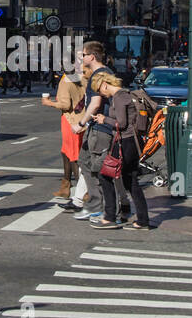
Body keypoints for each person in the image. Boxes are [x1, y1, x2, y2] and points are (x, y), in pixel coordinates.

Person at [73, 41, 131, 222]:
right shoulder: (100, 73)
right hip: (96, 127)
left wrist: (81, 122)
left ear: (92, 56)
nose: (82, 58)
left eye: (83, 55)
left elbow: (96, 103)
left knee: (99, 169)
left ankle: (99, 207)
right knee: (85, 160)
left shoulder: (101, 74)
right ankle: (101, 204)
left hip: (101, 128)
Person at [88, 72, 152, 230]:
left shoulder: (118, 97)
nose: (102, 94)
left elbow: (121, 124)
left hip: (124, 142)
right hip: (131, 142)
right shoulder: (125, 95)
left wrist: (104, 119)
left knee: (105, 175)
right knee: (131, 181)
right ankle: (142, 220)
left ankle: (110, 217)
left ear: (104, 84)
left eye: (100, 90)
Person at [44, 60, 86, 201]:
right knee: (65, 153)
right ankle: (65, 186)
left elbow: (65, 104)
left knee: (73, 156)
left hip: (70, 121)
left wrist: (49, 103)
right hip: (81, 120)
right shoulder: (81, 79)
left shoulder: (65, 81)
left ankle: (83, 193)